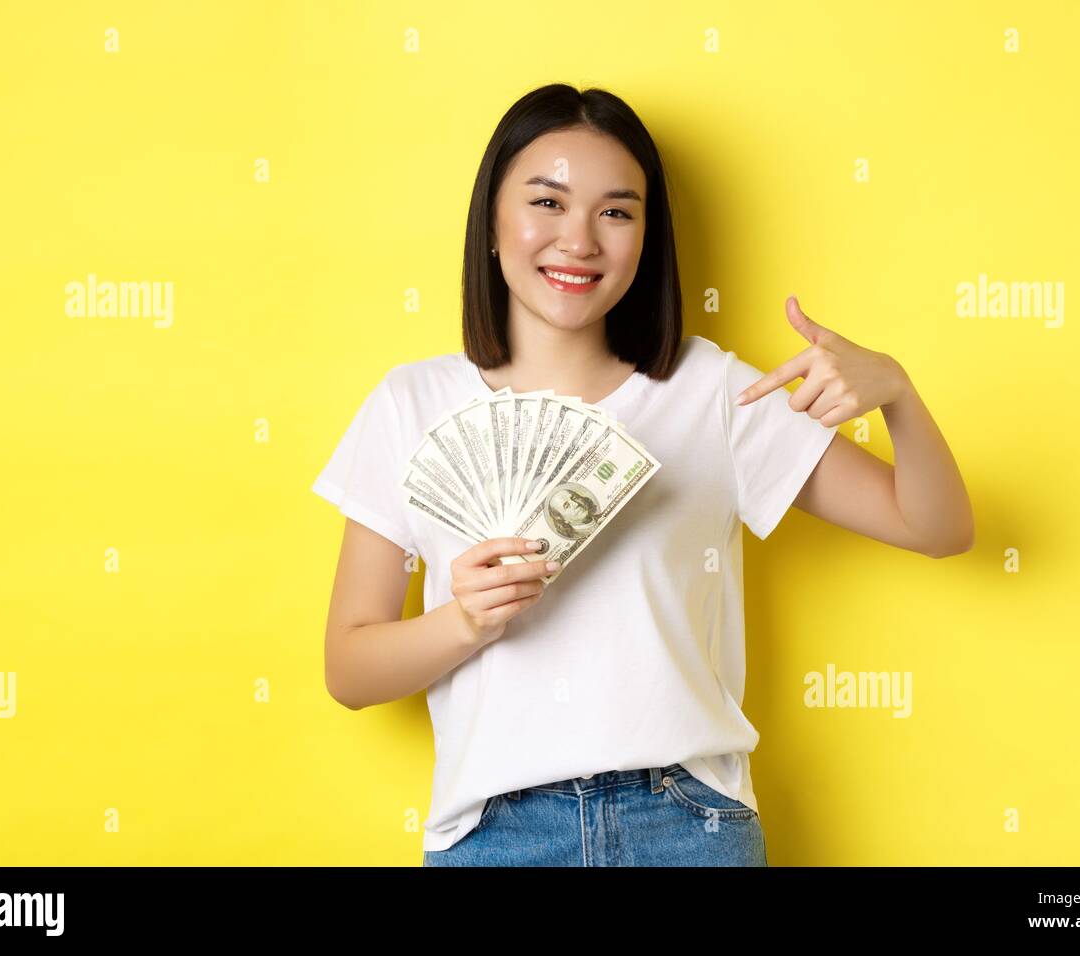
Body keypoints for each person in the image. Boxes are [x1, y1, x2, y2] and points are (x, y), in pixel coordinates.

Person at [313, 84, 973, 866]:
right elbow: (349, 670)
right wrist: (465, 620)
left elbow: (938, 528)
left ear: (647, 239)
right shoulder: (410, 403)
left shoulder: (715, 392)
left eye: (616, 212)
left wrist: (897, 392)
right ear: (492, 219)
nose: (580, 239)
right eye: (547, 202)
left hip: (687, 824)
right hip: (494, 834)